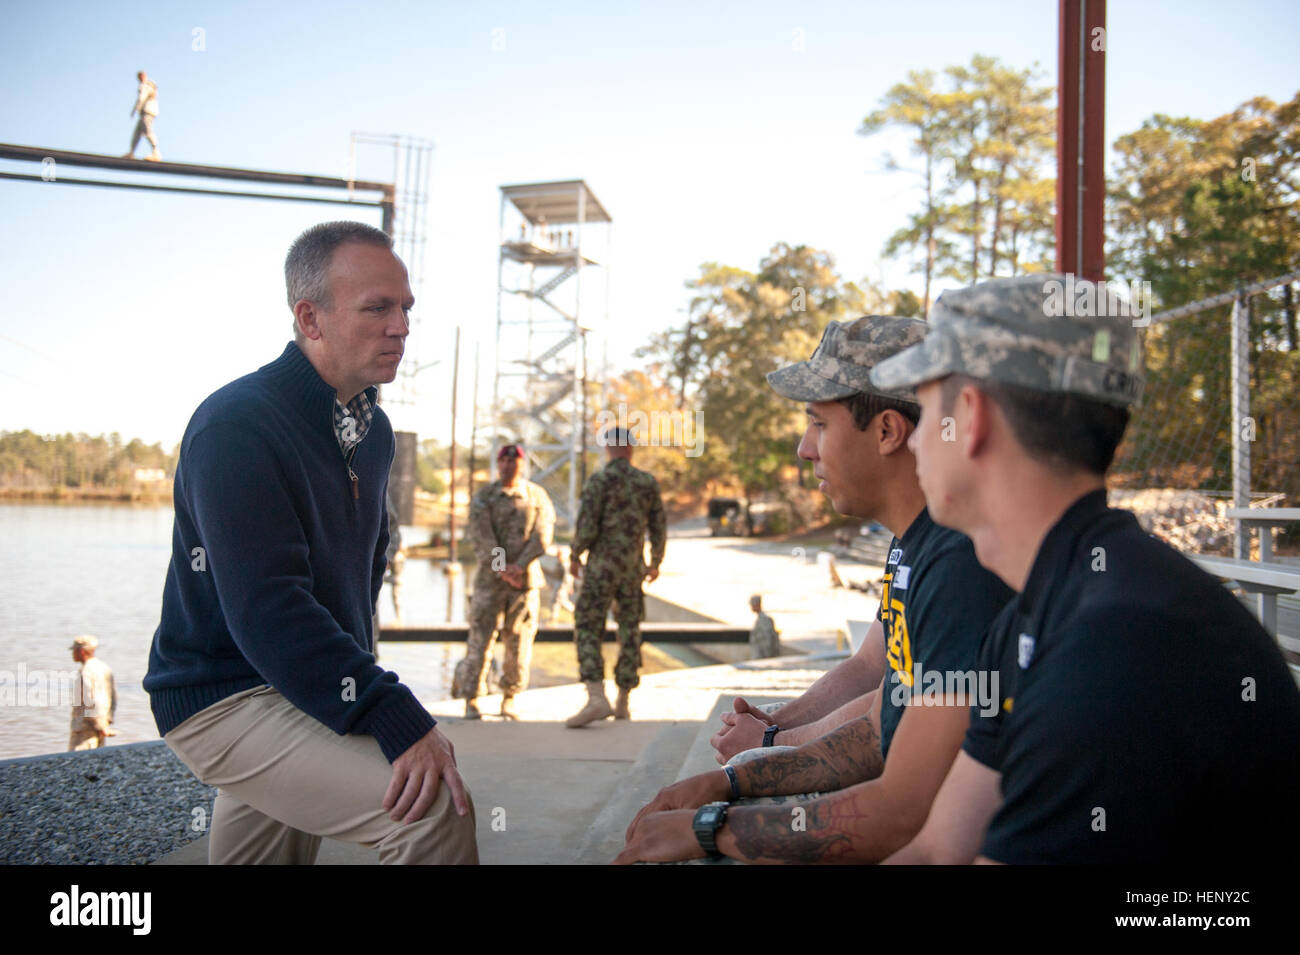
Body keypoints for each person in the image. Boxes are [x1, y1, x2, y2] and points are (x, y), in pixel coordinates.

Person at [866, 274, 1300, 864]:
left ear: (971, 418)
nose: (914, 443)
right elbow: (940, 851)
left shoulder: (1118, 644)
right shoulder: (1039, 610)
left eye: (926, 407)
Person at [616, 315, 1013, 864]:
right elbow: (879, 715)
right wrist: (744, 772)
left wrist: (717, 822)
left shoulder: (960, 564)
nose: (805, 450)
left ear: (887, 432)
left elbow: (905, 812)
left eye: (819, 425)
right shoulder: (918, 545)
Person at [143, 220, 477, 865]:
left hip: (301, 684)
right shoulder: (237, 424)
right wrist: (390, 711)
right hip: (224, 693)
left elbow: (360, 580)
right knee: (430, 810)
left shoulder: (373, 433)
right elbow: (268, 607)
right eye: (377, 307)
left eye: (405, 308)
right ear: (310, 318)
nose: (401, 326)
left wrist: (348, 686)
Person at [565, 428, 667, 727]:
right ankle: (623, 701)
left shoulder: (599, 481)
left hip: (601, 567)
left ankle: (597, 697)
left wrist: (574, 554)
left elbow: (587, 525)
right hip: (632, 568)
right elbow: (659, 526)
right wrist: (655, 562)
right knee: (630, 629)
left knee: (587, 624)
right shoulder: (646, 482)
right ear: (631, 450)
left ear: (609, 449)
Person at [452, 442, 556, 720]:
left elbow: (543, 535)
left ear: (522, 465)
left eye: (514, 461)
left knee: (519, 641)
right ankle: (472, 697)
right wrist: (503, 569)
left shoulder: (536, 496)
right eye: (504, 461)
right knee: (480, 639)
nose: (509, 465)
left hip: (525, 582)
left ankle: (510, 697)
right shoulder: (485, 496)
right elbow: (481, 535)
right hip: (490, 581)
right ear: (498, 464)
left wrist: (519, 567)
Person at [68, 635, 117, 750]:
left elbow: (91, 700)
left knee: (77, 761)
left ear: (82, 651)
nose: (72, 654)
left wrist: (100, 726)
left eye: (74, 650)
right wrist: (106, 722)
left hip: (85, 730)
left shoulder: (86, 671)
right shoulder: (104, 667)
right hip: (100, 725)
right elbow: (113, 697)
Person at [125, 71, 160, 161]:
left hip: (147, 111)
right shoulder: (150, 84)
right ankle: (131, 152)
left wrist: (135, 109)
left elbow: (141, 98)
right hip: (148, 111)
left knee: (147, 130)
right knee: (137, 133)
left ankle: (156, 152)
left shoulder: (145, 85)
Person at [747, 595, 780, 659]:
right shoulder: (760, 619)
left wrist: (767, 656)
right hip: (759, 656)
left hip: (762, 657)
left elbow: (768, 640)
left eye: (752, 605)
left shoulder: (764, 620)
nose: (751, 607)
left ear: (757, 605)